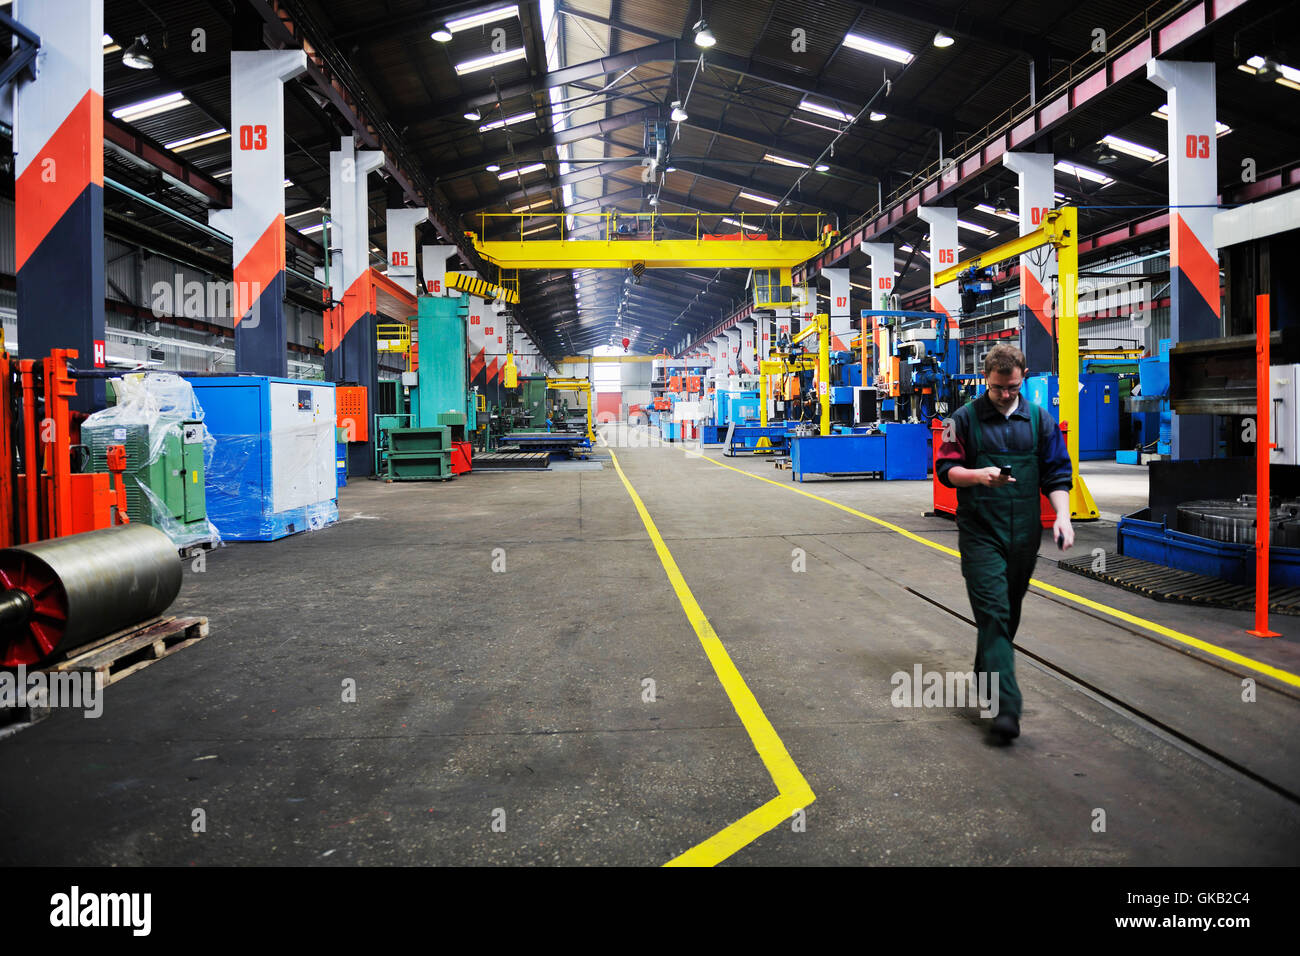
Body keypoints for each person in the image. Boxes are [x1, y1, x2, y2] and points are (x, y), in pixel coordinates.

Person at [935, 344, 1074, 742]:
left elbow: (1057, 473)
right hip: (981, 532)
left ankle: (987, 673)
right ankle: (1005, 710)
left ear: (1023, 377)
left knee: (1007, 615)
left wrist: (1062, 516)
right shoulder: (961, 420)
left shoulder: (1040, 421)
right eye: (997, 389)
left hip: (1025, 535)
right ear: (986, 380)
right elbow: (946, 470)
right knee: (994, 614)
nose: (1006, 395)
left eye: (1012, 387)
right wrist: (979, 476)